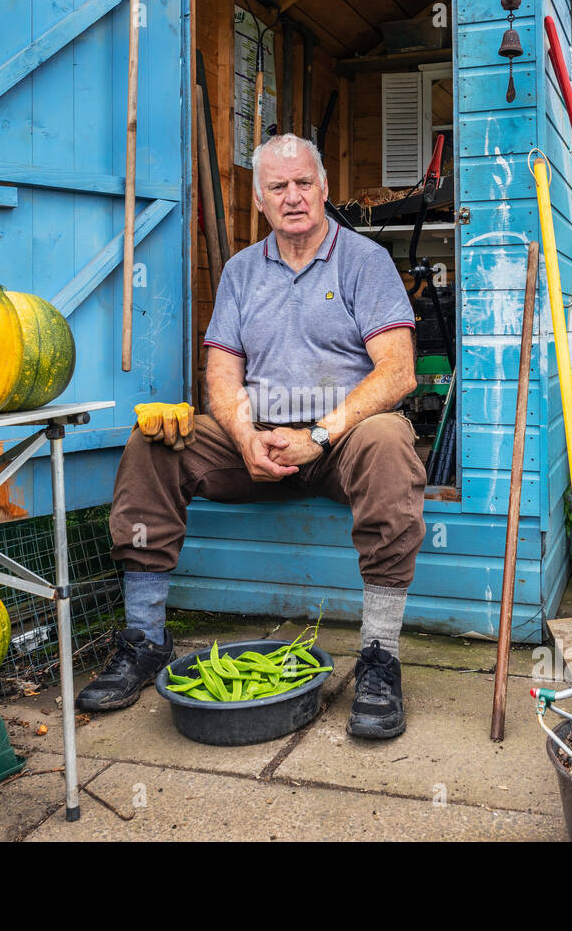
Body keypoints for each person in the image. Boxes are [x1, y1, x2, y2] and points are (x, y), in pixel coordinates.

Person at [77, 133, 426, 739]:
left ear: (323, 188)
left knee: (391, 442)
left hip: (341, 437)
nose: (293, 197)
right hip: (258, 438)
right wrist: (244, 439)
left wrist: (319, 433)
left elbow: (397, 371)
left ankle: (379, 657)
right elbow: (221, 374)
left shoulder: (365, 262)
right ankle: (144, 638)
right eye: (277, 187)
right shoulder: (241, 272)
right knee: (152, 444)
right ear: (260, 201)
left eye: (303, 183)